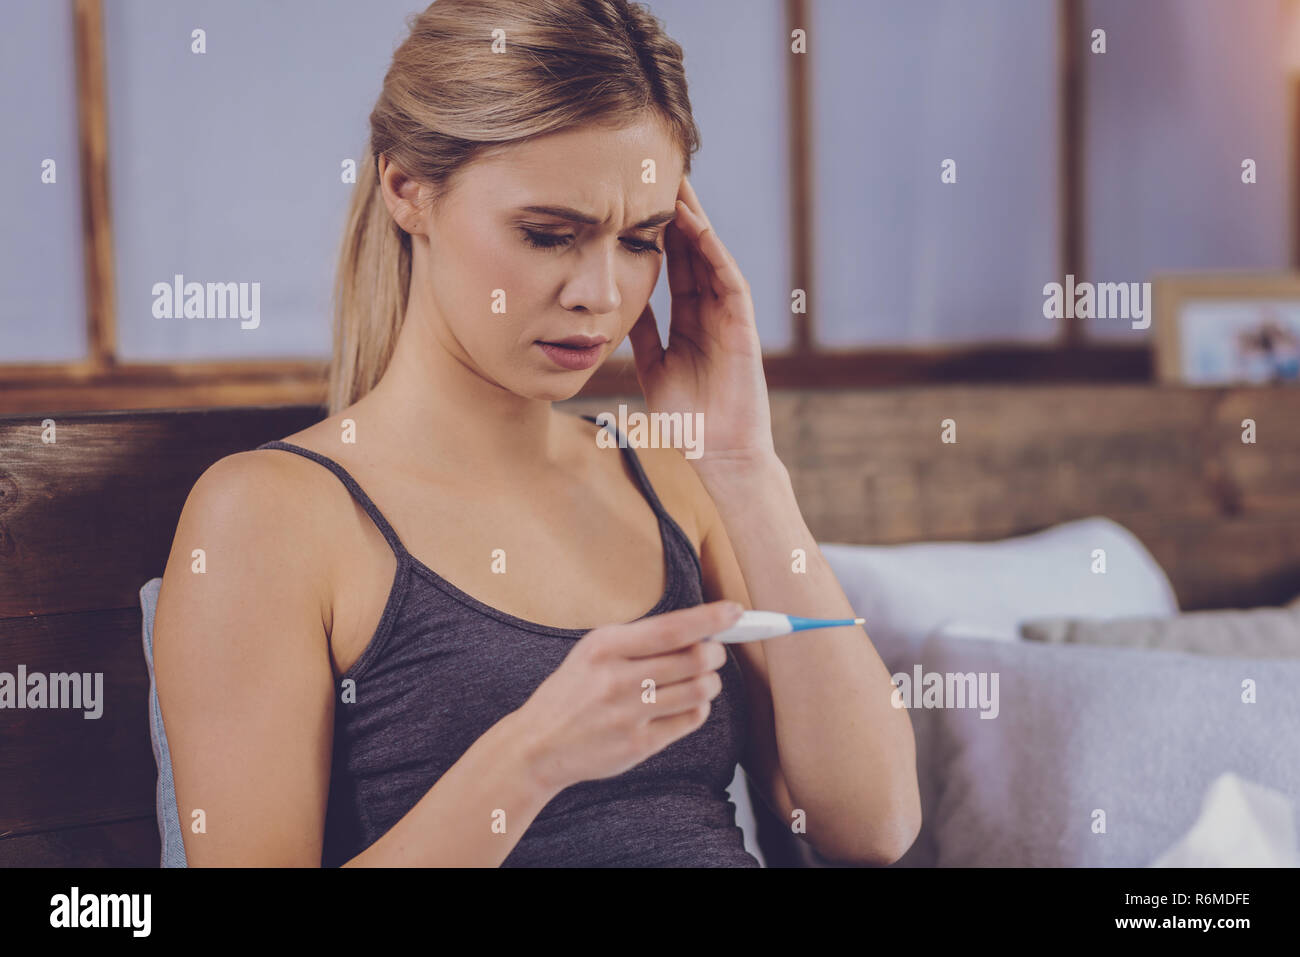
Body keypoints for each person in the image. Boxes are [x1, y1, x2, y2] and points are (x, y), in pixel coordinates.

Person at [152, 0, 920, 867]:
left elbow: (874, 825)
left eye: (640, 240)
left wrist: (745, 466)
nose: (599, 292)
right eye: (549, 234)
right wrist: (534, 758)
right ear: (408, 188)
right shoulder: (269, 516)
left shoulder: (673, 478)